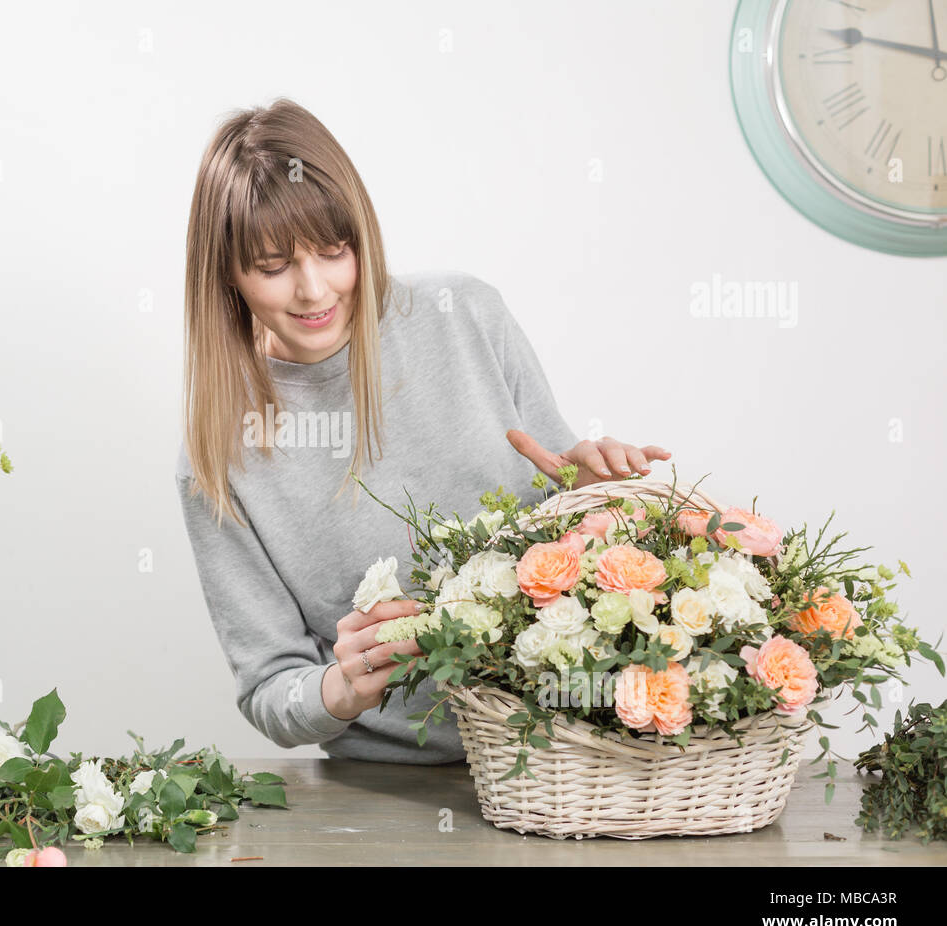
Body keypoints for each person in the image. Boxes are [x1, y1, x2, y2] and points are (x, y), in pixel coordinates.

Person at [176, 98, 671, 763]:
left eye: (334, 251)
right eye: (272, 268)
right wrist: (339, 688)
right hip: (393, 793)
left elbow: (572, 550)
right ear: (227, 278)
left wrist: (586, 496)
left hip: (560, 759)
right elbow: (270, 689)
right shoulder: (216, 455)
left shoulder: (464, 315)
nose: (314, 291)